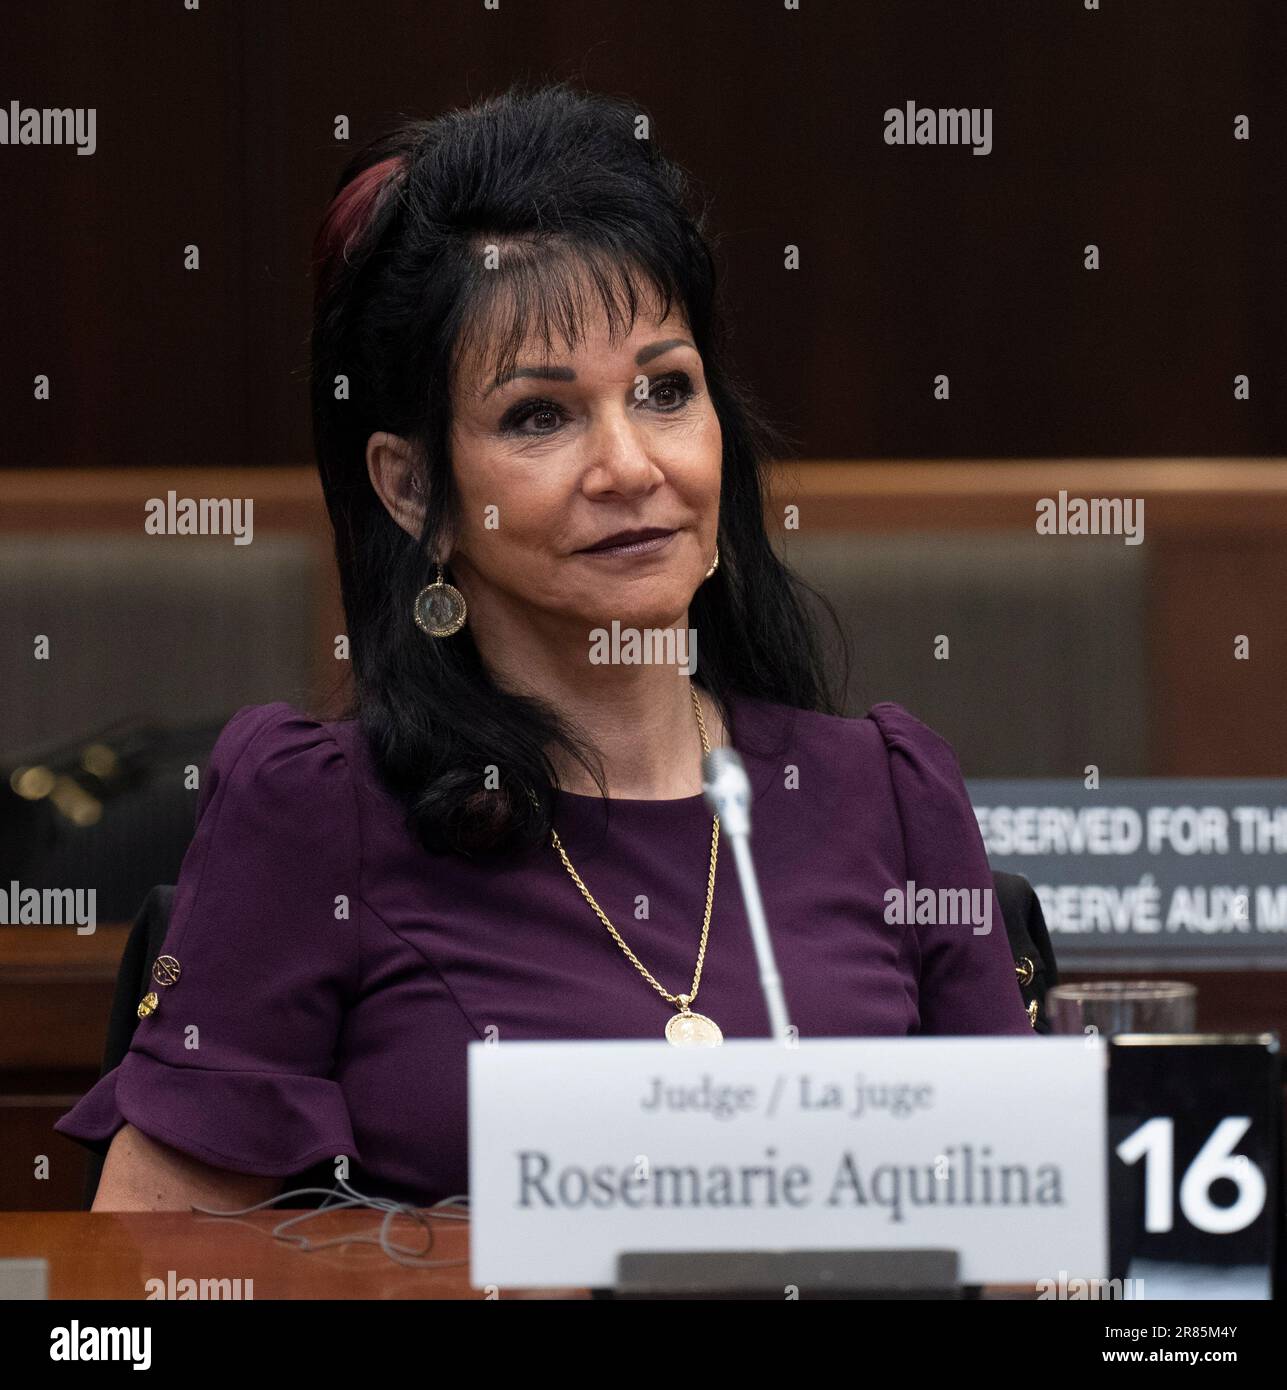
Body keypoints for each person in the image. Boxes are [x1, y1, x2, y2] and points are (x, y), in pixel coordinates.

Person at [56, 80, 1033, 1213]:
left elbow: (1024, 1246)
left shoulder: (891, 798)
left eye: (666, 391)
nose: (630, 465)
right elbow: (142, 1282)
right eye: (540, 415)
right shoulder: (319, 818)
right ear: (414, 488)